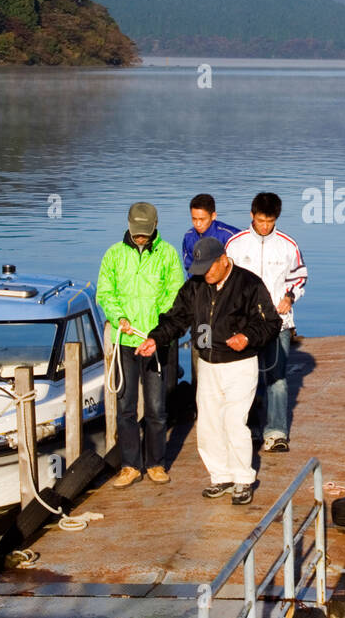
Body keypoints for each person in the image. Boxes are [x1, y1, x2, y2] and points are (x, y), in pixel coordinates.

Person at [137, 237, 281, 505]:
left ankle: (243, 479)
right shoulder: (195, 286)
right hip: (207, 364)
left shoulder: (249, 284)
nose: (204, 275)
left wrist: (248, 337)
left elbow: (271, 322)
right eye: (199, 269)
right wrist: (155, 338)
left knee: (234, 421)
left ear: (223, 260)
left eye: (208, 268)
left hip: (239, 364)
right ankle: (221, 476)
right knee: (208, 423)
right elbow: (176, 317)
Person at [96, 202, 184, 488]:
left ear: (155, 227)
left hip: (156, 342)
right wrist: (118, 316)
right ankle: (130, 465)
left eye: (145, 233)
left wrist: (157, 329)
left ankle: (156, 463)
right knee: (126, 407)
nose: (141, 238)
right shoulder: (114, 255)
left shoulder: (168, 254)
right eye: (137, 233)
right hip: (125, 343)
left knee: (157, 408)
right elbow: (105, 292)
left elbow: (175, 293)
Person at [225, 192, 307, 453]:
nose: (265, 226)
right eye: (261, 220)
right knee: (245, 378)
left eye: (270, 221)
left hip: (277, 323)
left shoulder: (287, 245)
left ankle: (277, 432)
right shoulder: (235, 245)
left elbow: (300, 277)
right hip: (245, 324)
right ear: (252, 215)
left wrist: (290, 296)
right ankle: (249, 429)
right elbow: (226, 280)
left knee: (277, 378)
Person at [181, 194, 239, 274]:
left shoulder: (231, 236)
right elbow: (189, 268)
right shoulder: (189, 237)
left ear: (213, 216)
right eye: (194, 219)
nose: (198, 224)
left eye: (202, 219)